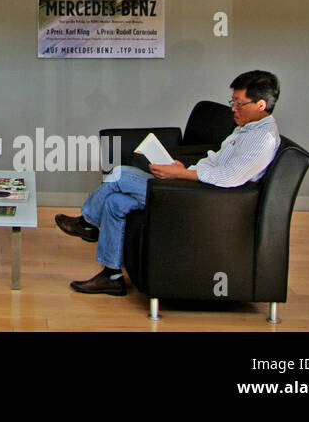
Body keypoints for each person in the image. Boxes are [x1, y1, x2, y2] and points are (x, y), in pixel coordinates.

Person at [55, 70, 282, 296]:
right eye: (232, 102)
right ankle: (112, 277)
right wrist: (184, 169)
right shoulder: (246, 129)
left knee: (120, 175)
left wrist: (181, 176)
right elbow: (216, 161)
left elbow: (230, 177)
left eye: (239, 104)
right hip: (197, 189)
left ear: (261, 105)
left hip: (200, 201)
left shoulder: (262, 138)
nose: (233, 108)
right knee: (115, 202)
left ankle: (88, 223)